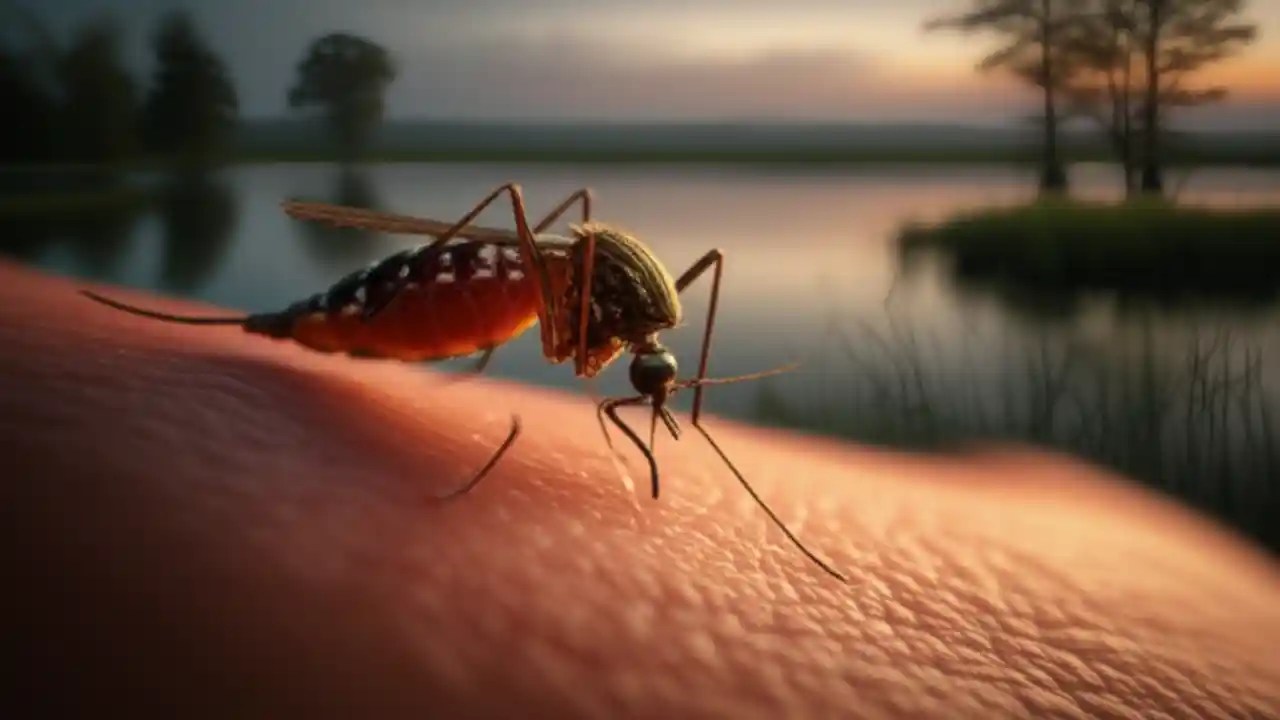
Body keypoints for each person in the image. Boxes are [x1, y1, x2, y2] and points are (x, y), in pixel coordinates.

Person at [5, 260, 1278, 718]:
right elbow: (569, 255)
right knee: (529, 227)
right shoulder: (609, 323)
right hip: (476, 285)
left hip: (533, 290)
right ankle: (328, 318)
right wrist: (489, 334)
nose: (646, 388)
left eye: (659, 383)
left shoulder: (645, 339)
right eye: (661, 383)